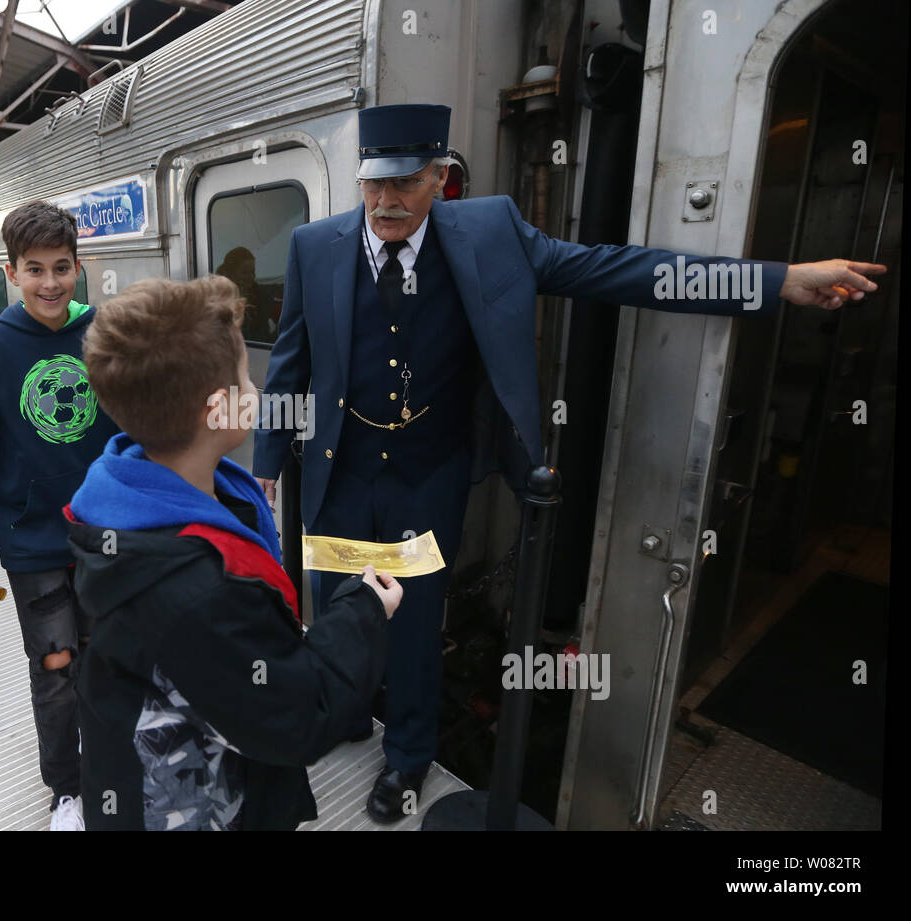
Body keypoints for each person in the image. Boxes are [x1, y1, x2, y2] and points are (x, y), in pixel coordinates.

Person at [254, 103, 888, 823]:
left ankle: (404, 759)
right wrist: (270, 459)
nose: (386, 201)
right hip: (340, 474)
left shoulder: (491, 233)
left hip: (426, 479)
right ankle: (340, 715)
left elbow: (615, 269)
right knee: (338, 608)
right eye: (374, 185)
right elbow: (289, 360)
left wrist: (775, 281)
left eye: (404, 184)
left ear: (439, 175)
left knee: (413, 625)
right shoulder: (314, 246)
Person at [65, 275, 400, 831]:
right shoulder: (196, 589)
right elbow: (296, 717)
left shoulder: (131, 497)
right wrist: (364, 611)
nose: (257, 392)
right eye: (247, 380)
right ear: (218, 410)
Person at [0, 201, 117, 831]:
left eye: (62, 268)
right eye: (35, 269)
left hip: (103, 532)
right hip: (29, 540)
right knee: (55, 665)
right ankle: (67, 789)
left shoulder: (103, 333)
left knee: (105, 658)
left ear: (80, 267)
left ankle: (110, 768)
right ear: (11, 273)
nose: (51, 283)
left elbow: (133, 425)